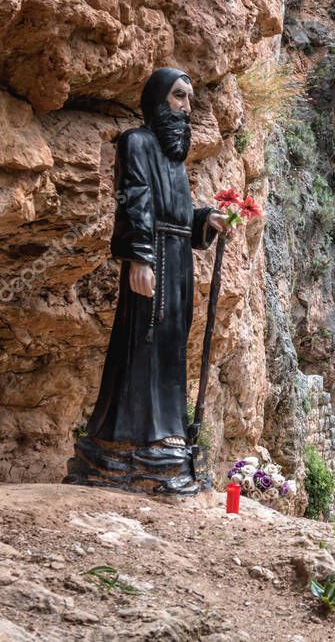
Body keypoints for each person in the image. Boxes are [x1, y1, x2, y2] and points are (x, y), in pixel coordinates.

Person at [67, 68, 228, 493]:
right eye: (179, 96)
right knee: (145, 340)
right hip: (153, 258)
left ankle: (167, 429)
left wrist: (203, 219)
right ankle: (133, 439)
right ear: (158, 99)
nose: (186, 107)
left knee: (172, 342)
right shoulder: (136, 143)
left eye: (188, 99)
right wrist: (139, 258)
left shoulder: (174, 157)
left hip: (176, 260)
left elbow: (177, 215)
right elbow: (135, 199)